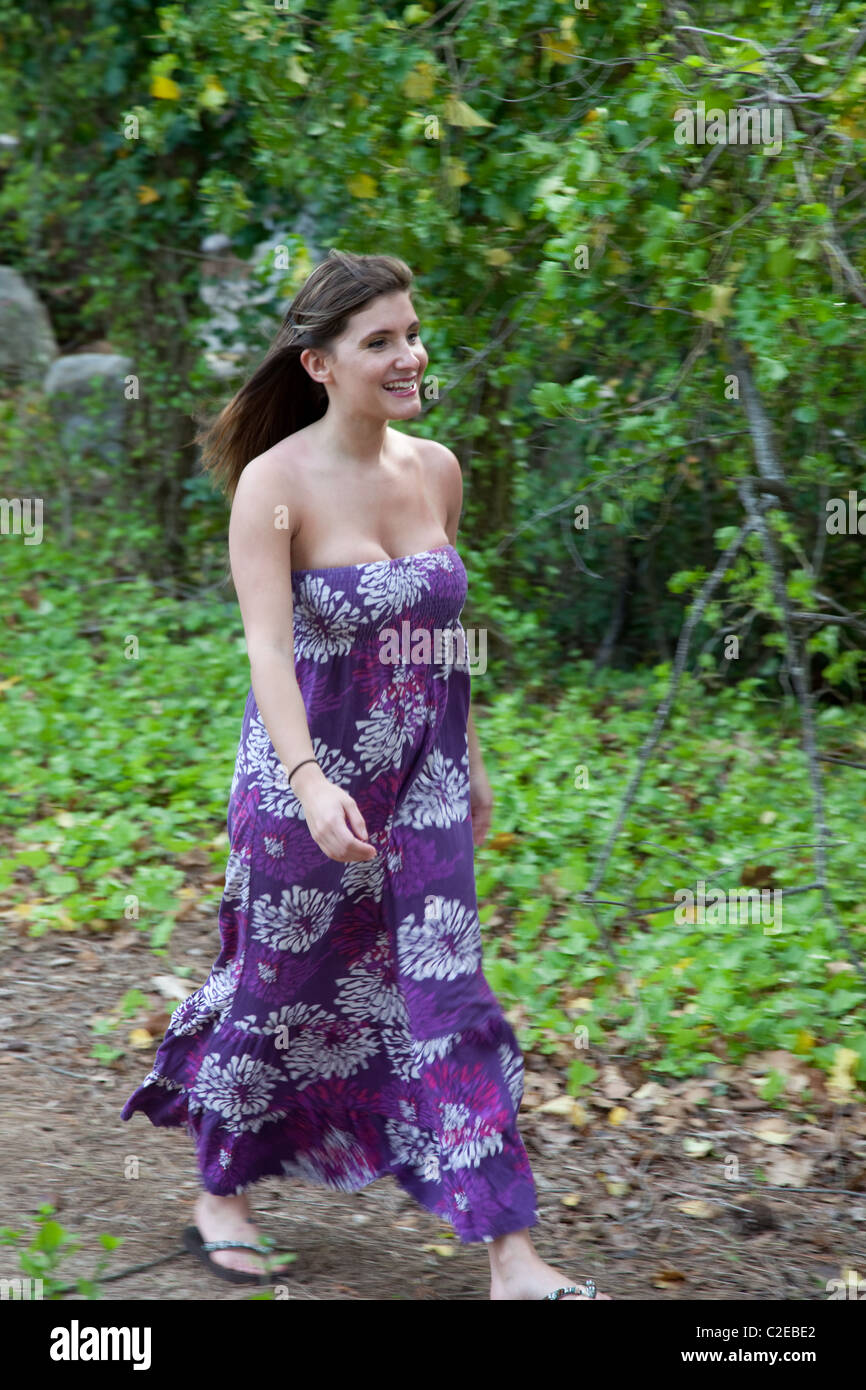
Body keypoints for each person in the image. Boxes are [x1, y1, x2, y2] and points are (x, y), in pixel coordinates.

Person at [121, 249, 609, 1302]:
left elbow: (444, 629)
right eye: (379, 340)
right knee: (276, 984)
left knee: (449, 996)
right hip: (305, 775)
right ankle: (221, 1187)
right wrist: (304, 779)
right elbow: (264, 651)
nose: (408, 354)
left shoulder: (435, 468)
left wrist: (470, 759)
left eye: (411, 332)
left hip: (421, 778)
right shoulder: (275, 484)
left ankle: (510, 1253)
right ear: (320, 364)